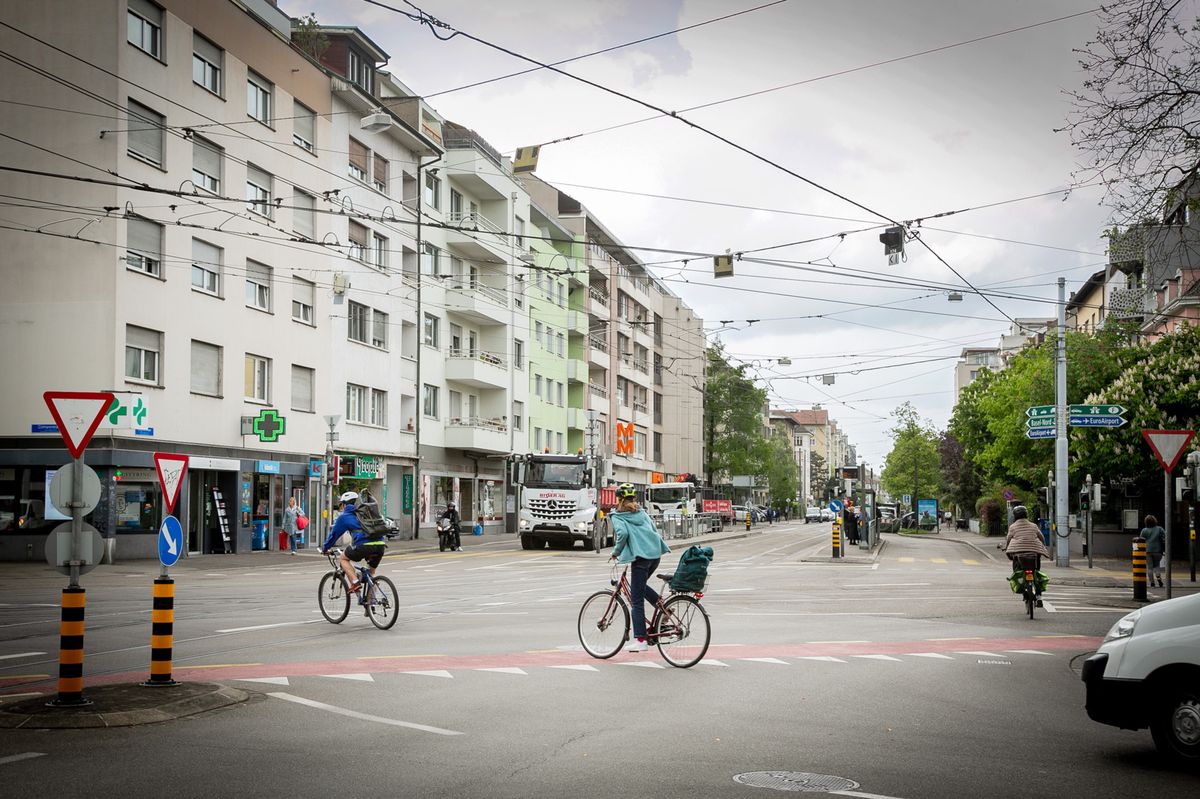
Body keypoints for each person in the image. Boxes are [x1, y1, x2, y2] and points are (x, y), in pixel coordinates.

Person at [608, 483, 670, 653]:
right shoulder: (640, 512)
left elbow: (623, 534)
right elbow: (653, 529)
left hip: (641, 558)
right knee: (639, 588)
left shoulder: (618, 516)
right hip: (654, 555)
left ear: (619, 499)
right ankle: (664, 608)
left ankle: (641, 640)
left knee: (636, 600)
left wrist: (616, 552)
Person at [320, 491, 386, 594]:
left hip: (363, 546)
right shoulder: (368, 512)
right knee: (371, 573)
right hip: (380, 545)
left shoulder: (344, 517)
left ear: (344, 504)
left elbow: (334, 535)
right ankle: (372, 601)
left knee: (343, 558)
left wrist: (325, 548)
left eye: (341, 505)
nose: (341, 508)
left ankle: (355, 582)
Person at [1004, 505, 1050, 606]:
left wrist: (1007, 548)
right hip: (1034, 553)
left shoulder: (1013, 527)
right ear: (1026, 514)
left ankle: (1024, 592)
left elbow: (1008, 539)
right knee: (1036, 573)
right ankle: (1039, 596)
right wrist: (1043, 546)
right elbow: (1041, 537)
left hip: (1020, 555)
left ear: (1015, 516)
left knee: (1017, 571)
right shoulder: (1033, 526)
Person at [1140, 514, 1166, 588]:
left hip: (1148, 551)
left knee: (1150, 567)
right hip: (1158, 551)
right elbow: (1164, 537)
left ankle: (1152, 583)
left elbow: (1141, 540)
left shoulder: (1144, 530)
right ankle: (1159, 580)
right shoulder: (1159, 529)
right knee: (1157, 566)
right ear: (1155, 521)